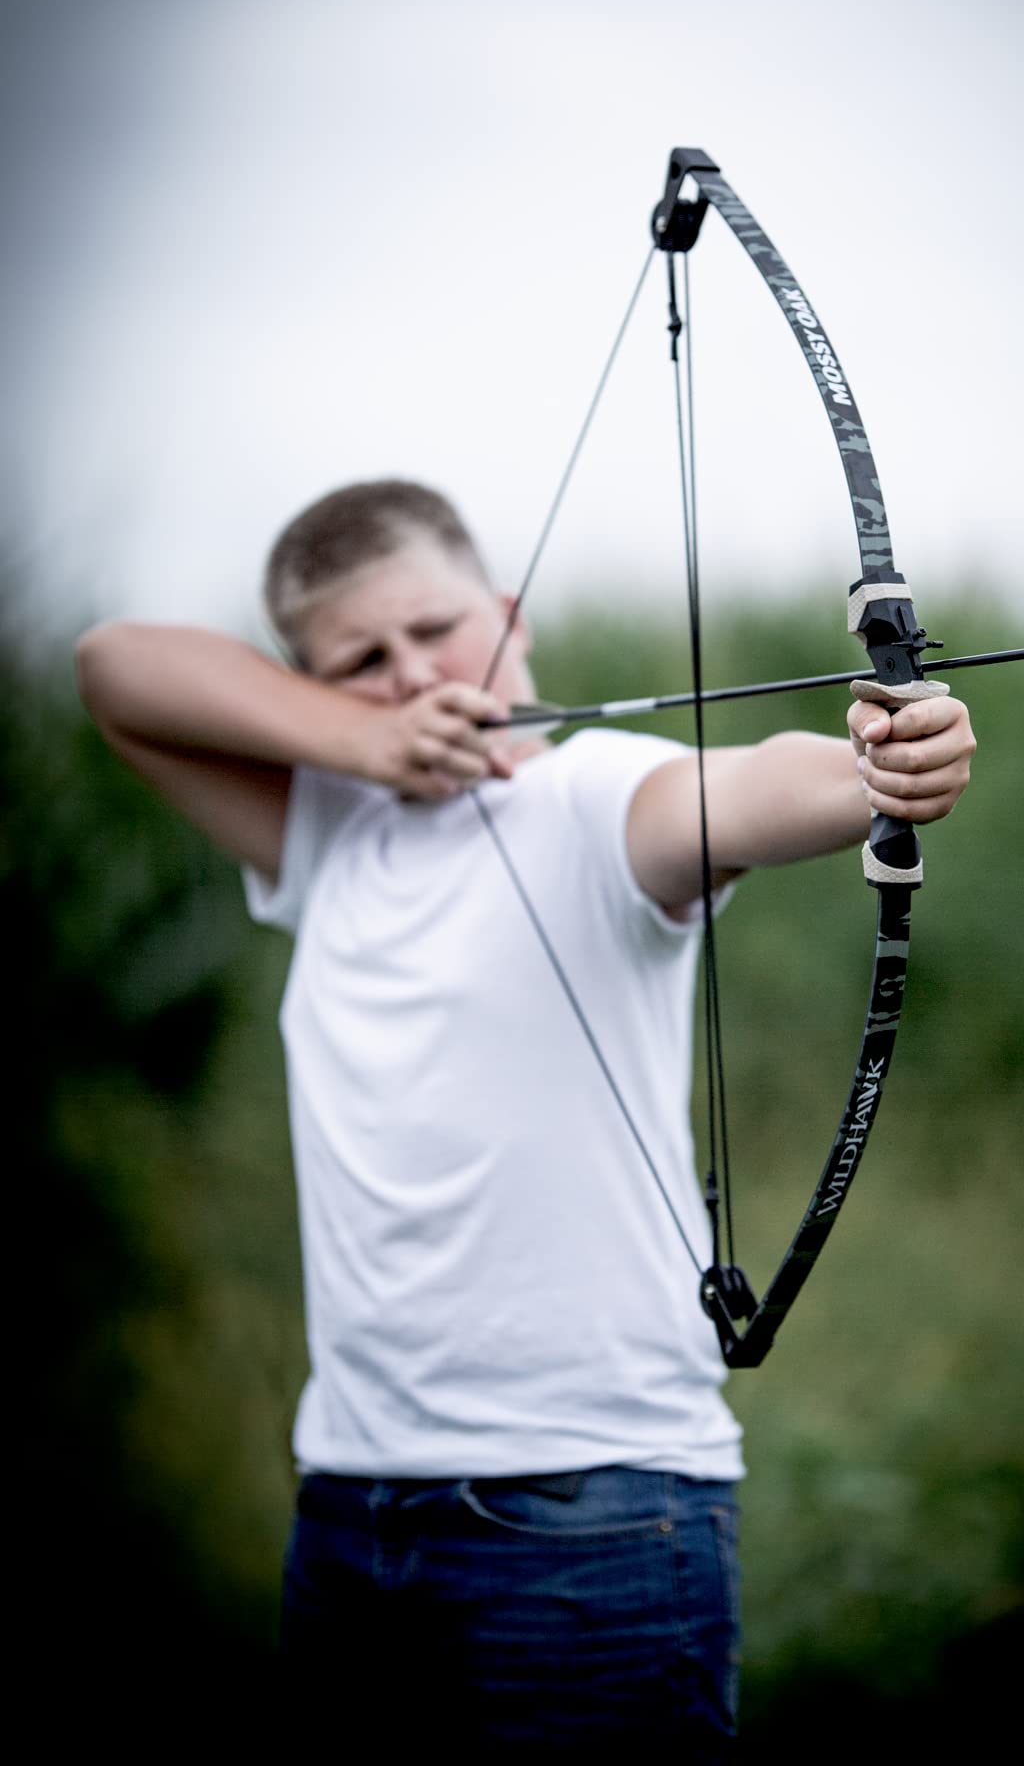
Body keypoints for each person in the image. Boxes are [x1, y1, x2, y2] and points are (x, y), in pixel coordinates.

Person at [75, 478, 976, 1748]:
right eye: (361, 663)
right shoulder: (322, 832)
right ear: (312, 689)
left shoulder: (597, 796)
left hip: (589, 1519)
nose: (408, 675)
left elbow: (755, 787)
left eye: (436, 631)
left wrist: (882, 768)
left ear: (509, 615)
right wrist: (359, 748)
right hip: (350, 1506)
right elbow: (113, 666)